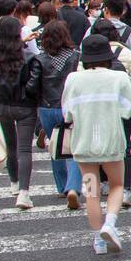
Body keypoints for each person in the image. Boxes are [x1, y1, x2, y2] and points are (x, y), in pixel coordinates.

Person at [60, 35, 131, 255]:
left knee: (91, 190)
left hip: (84, 142)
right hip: (111, 140)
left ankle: (98, 240)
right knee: (116, 185)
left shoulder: (73, 79)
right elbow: (129, 108)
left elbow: (67, 112)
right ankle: (110, 224)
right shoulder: (119, 78)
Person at [0, 16, 40, 210]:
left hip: (3, 104)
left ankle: (14, 183)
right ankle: (24, 194)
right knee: (24, 149)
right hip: (24, 105)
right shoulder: (27, 57)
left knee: (10, 146)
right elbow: (33, 84)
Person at [31, 20, 83, 209]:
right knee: (74, 147)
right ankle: (73, 187)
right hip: (69, 106)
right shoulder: (76, 56)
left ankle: (61, 187)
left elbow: (34, 85)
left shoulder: (40, 59)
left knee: (55, 148)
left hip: (46, 107)